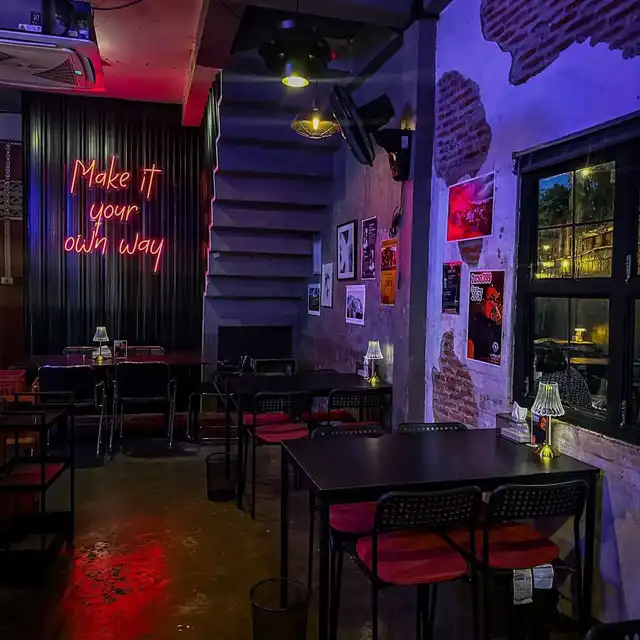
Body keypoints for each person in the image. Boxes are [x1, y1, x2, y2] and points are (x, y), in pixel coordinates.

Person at [467, 284, 502, 364]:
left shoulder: (496, 325)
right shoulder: (475, 323)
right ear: (482, 302)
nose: (494, 304)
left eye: (496, 300)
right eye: (491, 299)